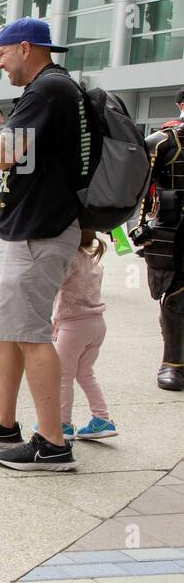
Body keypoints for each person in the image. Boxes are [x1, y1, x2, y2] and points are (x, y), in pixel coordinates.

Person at [0, 18, 90, 472]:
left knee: (29, 332)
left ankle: (53, 443)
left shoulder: (49, 91)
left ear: (25, 48)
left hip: (40, 231)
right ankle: (2, 422)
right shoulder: (53, 89)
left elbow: (6, 153)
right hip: (22, 229)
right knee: (7, 328)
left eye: (2, 52)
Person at [133, 121, 184, 390]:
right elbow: (140, 184)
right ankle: (173, 362)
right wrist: (139, 225)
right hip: (171, 229)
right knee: (175, 294)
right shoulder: (163, 141)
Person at [53, 231, 116, 440]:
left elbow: (53, 285)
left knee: (63, 375)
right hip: (97, 323)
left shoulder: (70, 260)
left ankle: (62, 424)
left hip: (74, 326)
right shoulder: (93, 262)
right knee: (85, 373)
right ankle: (102, 418)